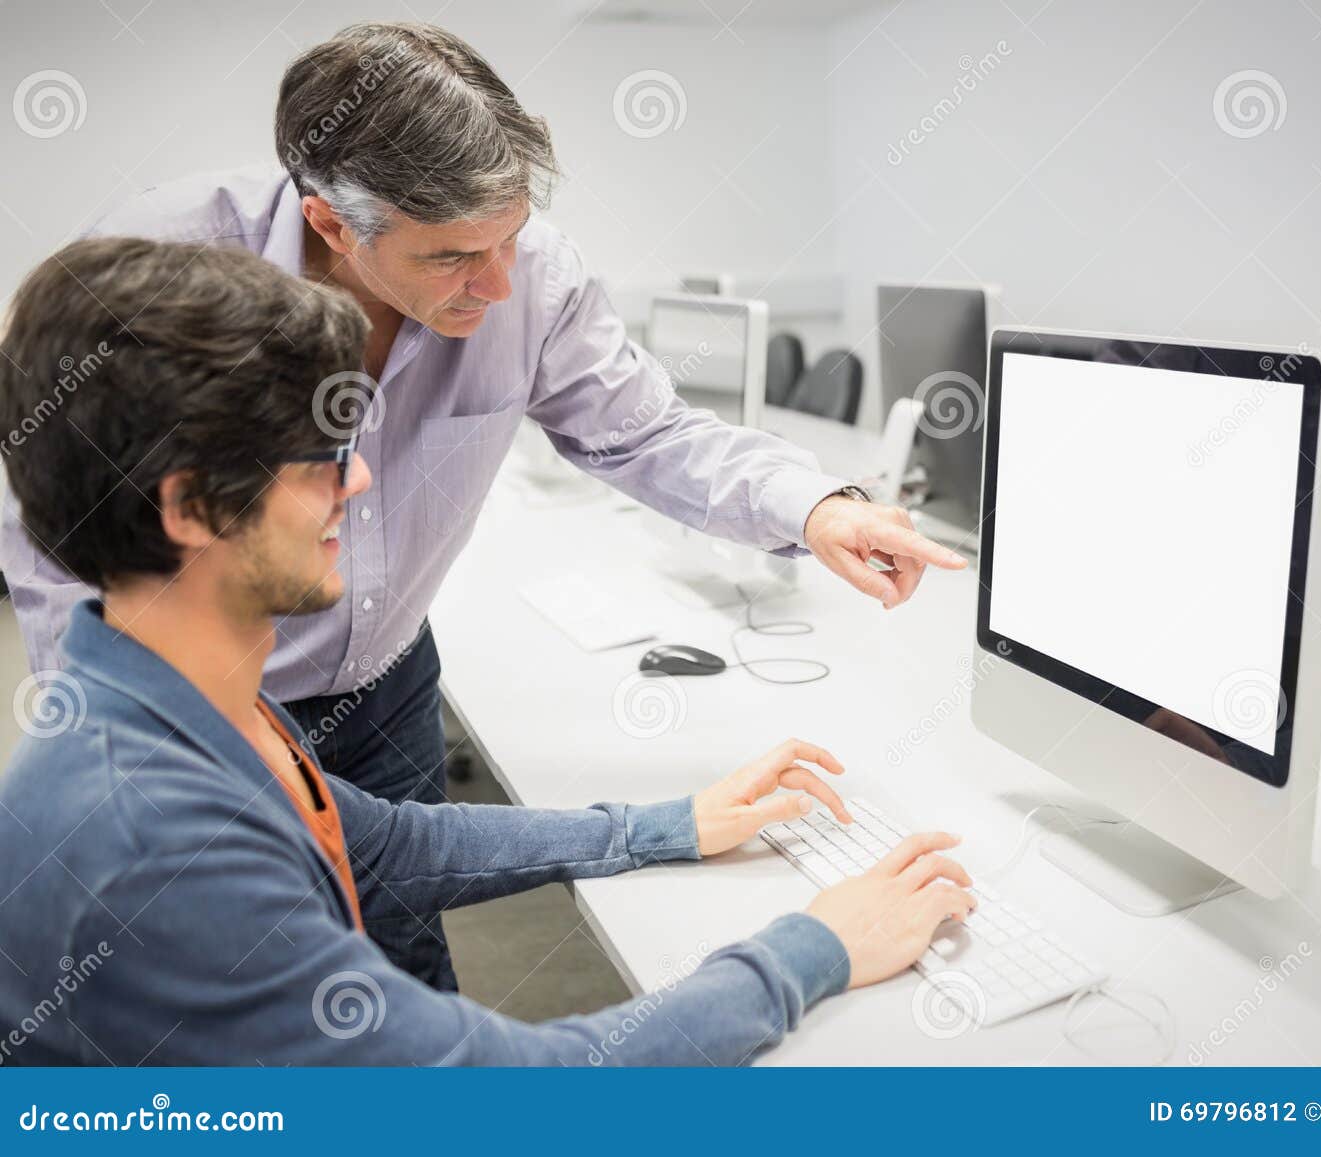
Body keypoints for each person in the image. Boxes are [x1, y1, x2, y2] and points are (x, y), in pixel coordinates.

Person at [0, 21, 966, 992]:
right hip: (212, 694)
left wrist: (812, 506)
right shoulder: (173, 263)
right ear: (334, 225)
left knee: (403, 960)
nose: (500, 284)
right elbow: (57, 518)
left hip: (384, 673)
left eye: (510, 239)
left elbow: (646, 432)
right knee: (240, 981)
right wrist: (116, 731)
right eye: (457, 256)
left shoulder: (524, 271)